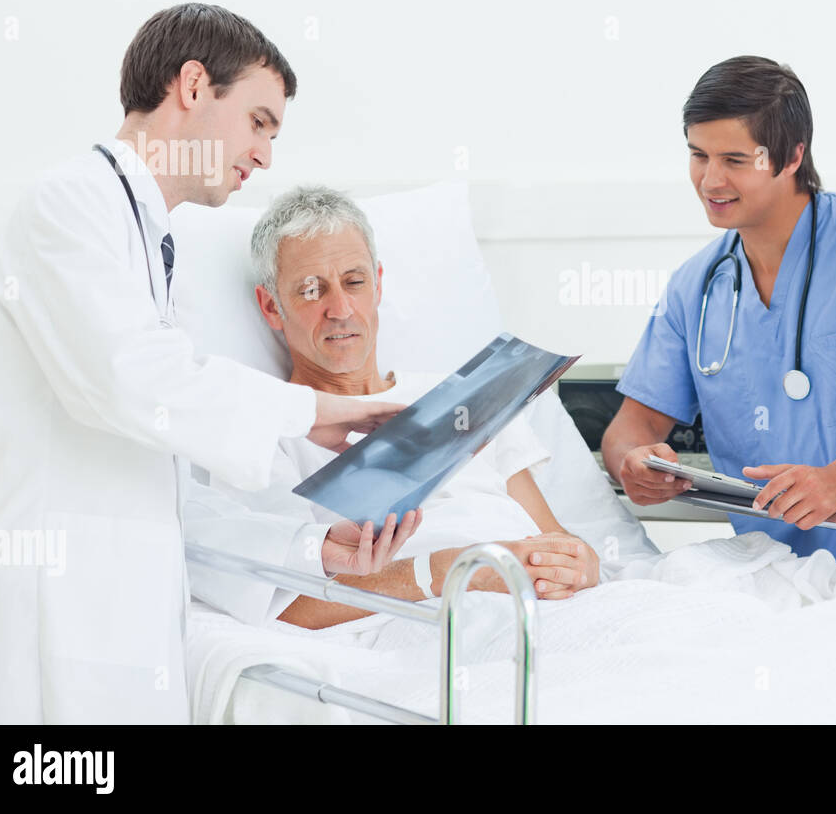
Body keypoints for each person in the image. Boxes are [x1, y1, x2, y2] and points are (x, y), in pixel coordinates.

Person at [0, 4, 411, 723]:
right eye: (260, 121)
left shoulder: (149, 241)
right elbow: (131, 381)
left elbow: (168, 493)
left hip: (120, 621)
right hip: (54, 619)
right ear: (194, 86)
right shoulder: (69, 203)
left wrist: (314, 549)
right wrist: (313, 410)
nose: (265, 154)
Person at [186, 185, 602, 630]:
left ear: (378, 284)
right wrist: (451, 572)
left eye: (354, 282)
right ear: (272, 306)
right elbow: (285, 603)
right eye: (311, 290)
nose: (340, 309)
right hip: (430, 622)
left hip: (545, 603)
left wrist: (582, 564)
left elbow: (555, 539)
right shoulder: (263, 429)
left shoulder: (466, 396)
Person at [602, 56, 836, 586]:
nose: (710, 179)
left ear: (791, 157)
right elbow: (630, 429)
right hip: (776, 585)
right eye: (698, 155)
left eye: (735, 160)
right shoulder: (695, 287)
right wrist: (634, 462)